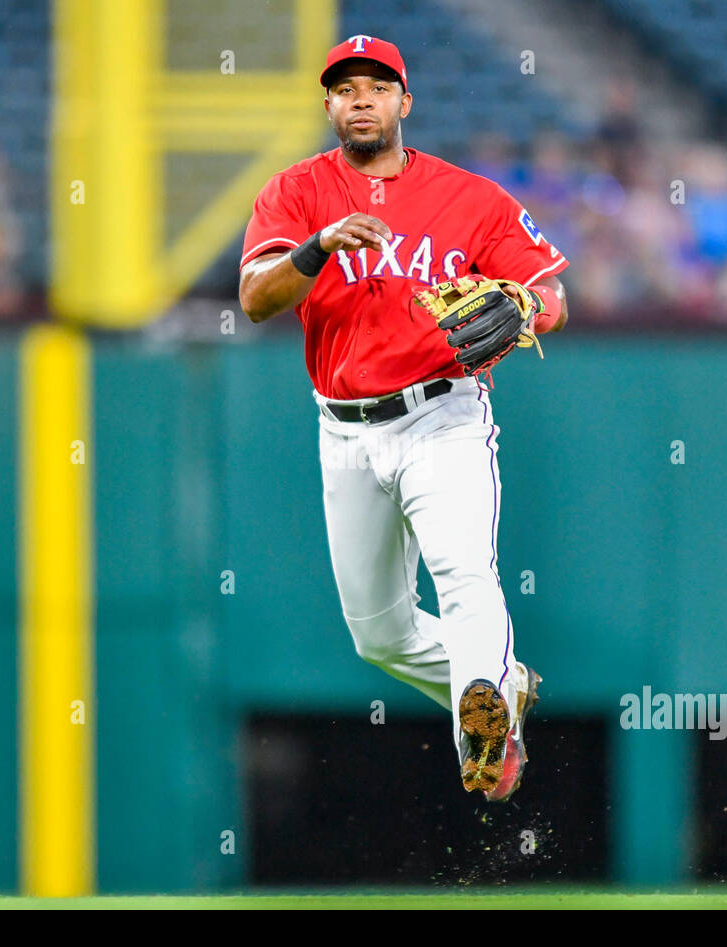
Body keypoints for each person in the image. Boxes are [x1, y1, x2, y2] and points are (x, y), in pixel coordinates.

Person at [237, 36, 569, 801]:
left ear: (403, 103)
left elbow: (552, 294)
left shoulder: (470, 198)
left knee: (463, 573)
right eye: (345, 88)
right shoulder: (295, 194)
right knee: (378, 636)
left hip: (442, 416)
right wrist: (317, 248)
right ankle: (500, 679)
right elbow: (256, 300)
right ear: (327, 105)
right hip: (344, 428)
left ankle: (486, 735)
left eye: (377, 86)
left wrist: (525, 305)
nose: (361, 99)